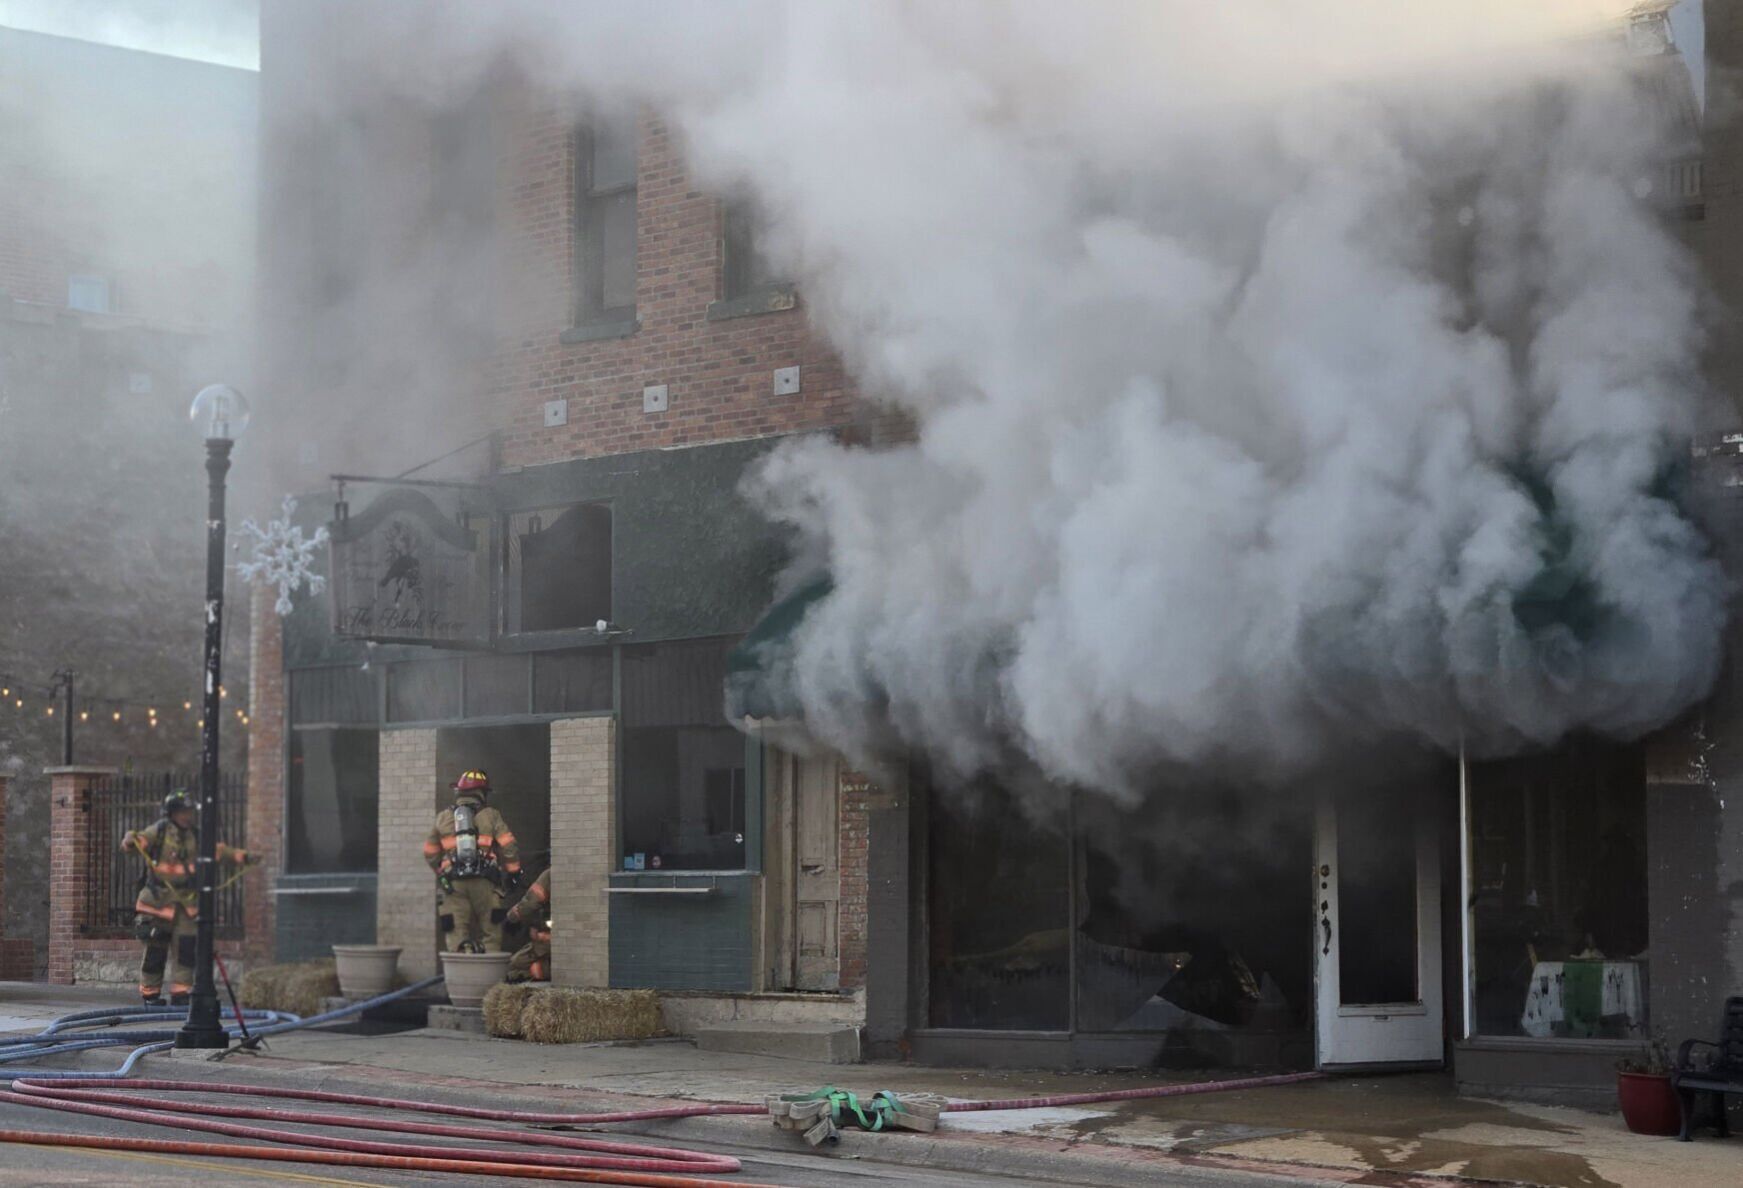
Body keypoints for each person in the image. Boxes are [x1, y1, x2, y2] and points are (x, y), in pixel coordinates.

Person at [120, 789, 254, 1006]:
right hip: (158, 901)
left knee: (186, 951)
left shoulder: (198, 836)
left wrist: (244, 857)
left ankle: (181, 994)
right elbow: (139, 842)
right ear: (172, 813)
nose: (187, 816)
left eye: (189, 811)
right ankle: (150, 994)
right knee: (156, 949)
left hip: (186, 904)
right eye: (183, 811)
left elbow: (219, 851)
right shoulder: (160, 831)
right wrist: (130, 839)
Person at [424, 769, 522, 953]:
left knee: (456, 931)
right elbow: (509, 846)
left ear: (459, 792)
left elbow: (430, 852)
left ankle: (463, 972)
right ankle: (488, 976)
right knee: (492, 931)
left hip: (453, 884)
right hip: (485, 881)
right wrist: (513, 872)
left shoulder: (443, 817)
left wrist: (441, 871)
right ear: (482, 794)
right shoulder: (491, 815)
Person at [505, 867, 551, 983]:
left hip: (551, 941)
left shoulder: (551, 874)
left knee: (516, 964)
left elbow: (531, 901)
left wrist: (513, 916)